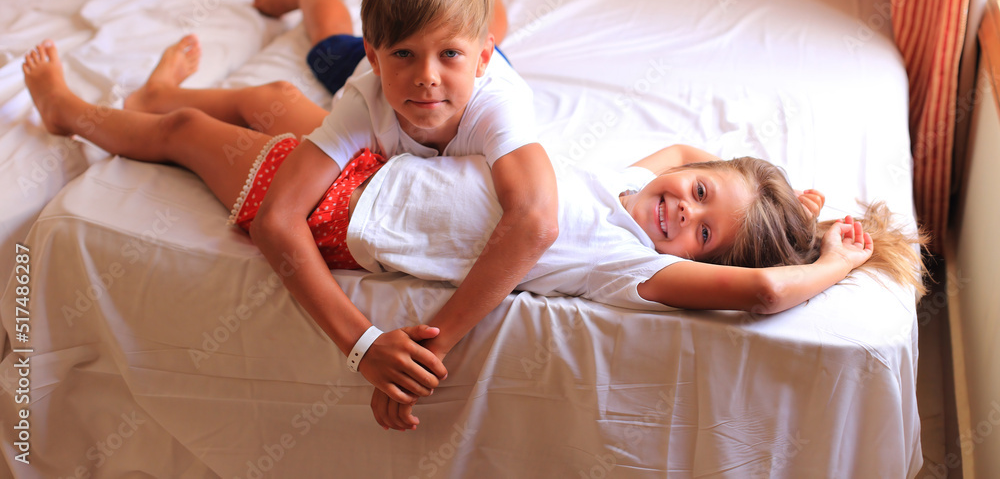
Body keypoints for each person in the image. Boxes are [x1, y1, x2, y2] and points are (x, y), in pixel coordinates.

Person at [22, 0, 559, 427]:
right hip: (379, 108)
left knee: (480, 30)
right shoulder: (368, 92)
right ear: (375, 57)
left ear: (480, 59)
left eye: (451, 55)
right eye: (401, 54)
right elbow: (277, 219)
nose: (426, 76)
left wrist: (433, 348)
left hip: (464, 73)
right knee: (313, 59)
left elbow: (536, 219)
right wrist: (362, 344)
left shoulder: (496, 103)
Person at [346, 148, 927, 430]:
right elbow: (681, 155)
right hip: (393, 161)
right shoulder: (635, 184)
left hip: (365, 213)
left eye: (704, 233)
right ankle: (311, 2)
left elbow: (766, 293)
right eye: (699, 190)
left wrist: (829, 257)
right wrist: (787, 205)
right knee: (268, 105)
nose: (681, 209)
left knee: (264, 155)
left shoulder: (628, 264)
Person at [252, 0, 511, 97]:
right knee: (329, 43)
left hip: (468, 67)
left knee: (474, 32)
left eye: (450, 53)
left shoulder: (495, 97)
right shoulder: (364, 96)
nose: (428, 77)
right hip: (387, 67)